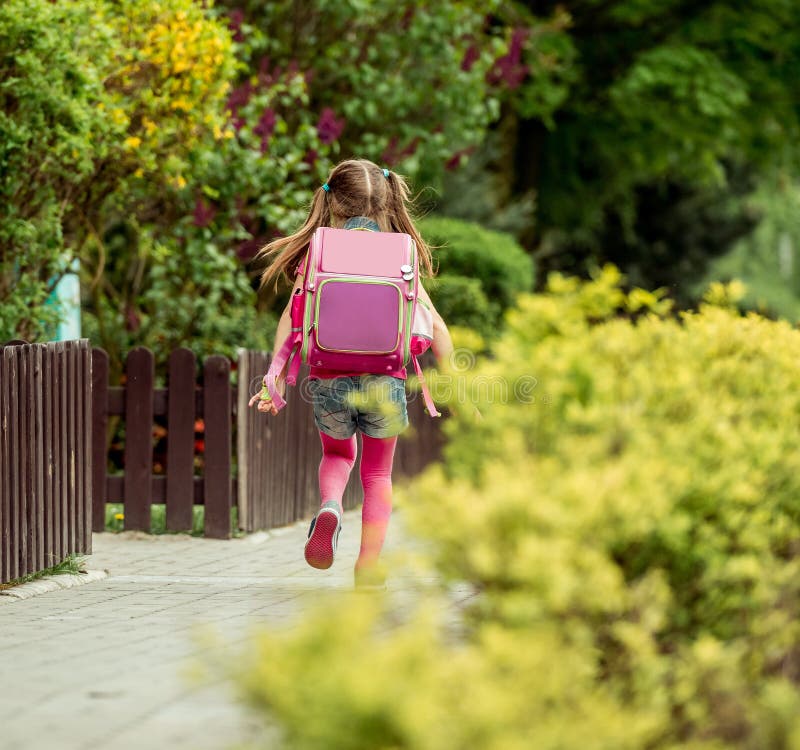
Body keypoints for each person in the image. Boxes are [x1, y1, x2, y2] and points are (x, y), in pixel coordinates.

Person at [248, 158, 453, 588]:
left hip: (327, 374)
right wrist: (451, 378)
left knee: (338, 455)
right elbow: (435, 326)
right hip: (387, 377)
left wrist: (274, 377)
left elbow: (293, 317)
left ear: (332, 202)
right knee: (377, 475)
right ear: (386, 201)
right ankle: (368, 569)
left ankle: (329, 508)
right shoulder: (401, 251)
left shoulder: (320, 249)